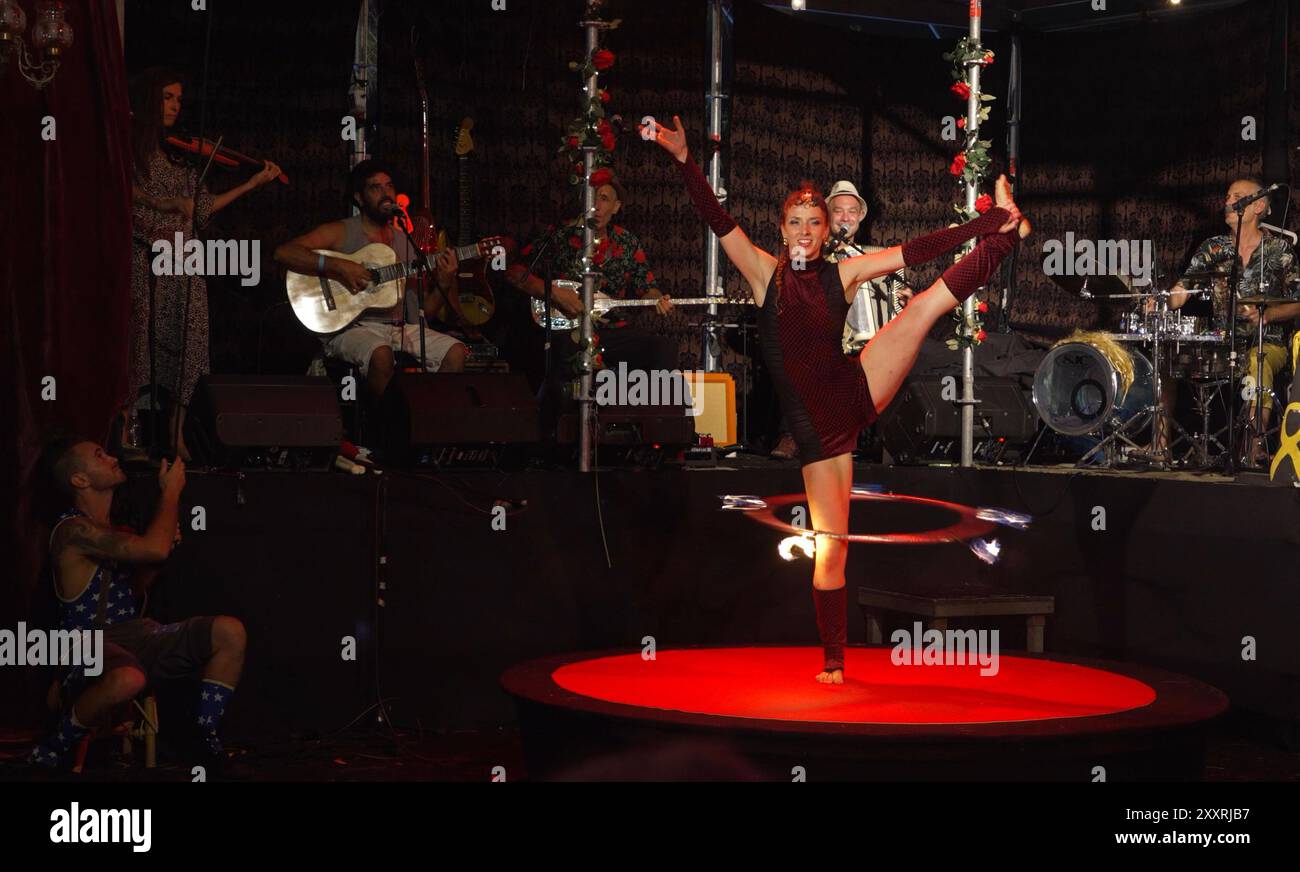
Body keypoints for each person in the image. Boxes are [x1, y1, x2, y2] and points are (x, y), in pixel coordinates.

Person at [647, 115, 1028, 684]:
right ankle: (833, 658)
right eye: (795, 222)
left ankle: (1004, 231)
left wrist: (985, 224)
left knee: (924, 306)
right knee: (832, 546)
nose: (804, 231)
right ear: (782, 229)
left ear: (827, 231)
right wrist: (682, 159)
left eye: (813, 223)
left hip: (856, 384)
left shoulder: (845, 273)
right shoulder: (763, 273)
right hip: (818, 430)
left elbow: (917, 249)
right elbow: (715, 217)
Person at [29, 436, 247, 772]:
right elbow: (154, 548)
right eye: (100, 455)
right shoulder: (73, 530)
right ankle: (52, 749)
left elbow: (135, 588)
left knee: (229, 632)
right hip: (85, 642)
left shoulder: (111, 530)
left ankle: (202, 737)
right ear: (80, 480)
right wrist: (172, 491)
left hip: (134, 636)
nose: (113, 458)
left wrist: (155, 558)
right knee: (129, 678)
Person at [128, 67, 282, 459]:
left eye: (179, 99)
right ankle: (129, 432)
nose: (176, 106)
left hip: (186, 262)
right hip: (147, 256)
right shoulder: (130, 147)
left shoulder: (184, 156)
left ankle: (175, 437)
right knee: (139, 344)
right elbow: (118, 189)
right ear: (149, 98)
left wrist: (251, 184)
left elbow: (202, 210)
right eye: (167, 97)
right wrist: (162, 203)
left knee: (188, 344)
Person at [274, 160, 468, 436]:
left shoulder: (405, 243)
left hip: (400, 328)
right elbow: (284, 252)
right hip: (350, 328)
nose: (386, 193)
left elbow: (428, 312)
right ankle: (386, 431)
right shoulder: (342, 231)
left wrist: (445, 282)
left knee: (456, 351)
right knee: (381, 354)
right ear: (359, 197)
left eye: (389, 186)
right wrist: (339, 267)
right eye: (376, 188)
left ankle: (433, 431)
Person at [1147, 178, 1300, 464]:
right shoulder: (1212, 248)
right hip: (1220, 341)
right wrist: (1163, 301)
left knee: (1259, 361)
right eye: (1227, 195)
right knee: (1168, 357)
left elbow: (1297, 303)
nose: (1227, 201)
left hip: (1266, 342)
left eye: (1237, 196)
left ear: (1258, 205)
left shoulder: (1280, 251)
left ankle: (1252, 446)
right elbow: (1184, 289)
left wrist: (1266, 315)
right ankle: (1160, 445)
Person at [772, 179, 916, 460]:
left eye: (852, 212)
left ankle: (891, 443)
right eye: (838, 211)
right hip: (829, 341)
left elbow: (898, 301)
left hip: (872, 343)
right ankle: (793, 435)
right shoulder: (811, 252)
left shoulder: (874, 257)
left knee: (907, 362)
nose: (846, 217)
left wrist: (906, 304)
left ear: (860, 218)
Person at [504, 172, 677, 382]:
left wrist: (658, 299)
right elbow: (515, 273)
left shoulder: (627, 242)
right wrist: (554, 293)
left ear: (616, 207)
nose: (596, 205)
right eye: (592, 197)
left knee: (662, 348)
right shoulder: (561, 235)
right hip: (569, 331)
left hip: (612, 331)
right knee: (560, 353)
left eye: (604, 199)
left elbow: (648, 288)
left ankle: (649, 413)